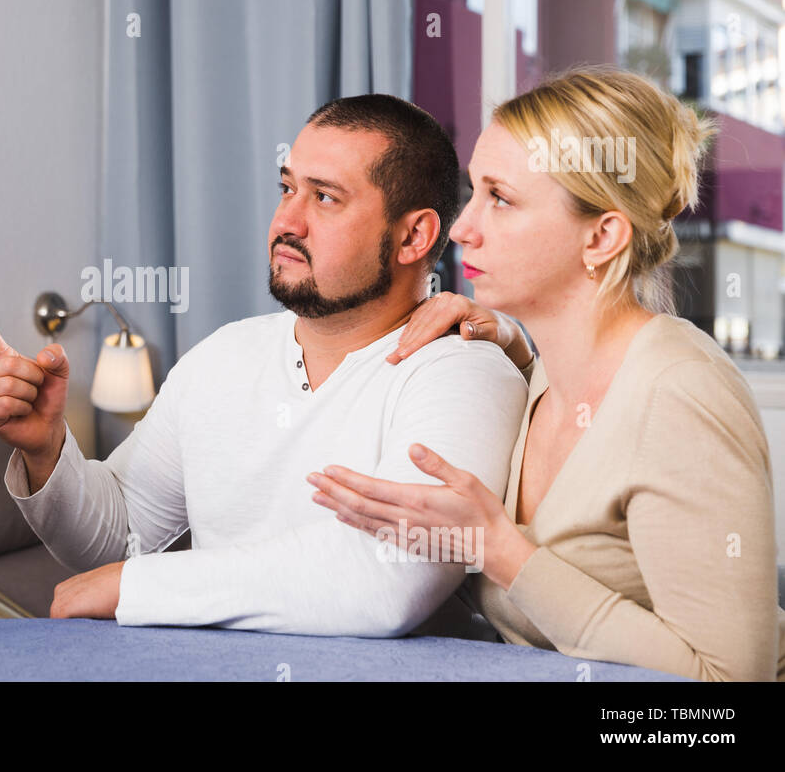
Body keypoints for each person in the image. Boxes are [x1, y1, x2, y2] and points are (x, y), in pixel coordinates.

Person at [0, 95, 529, 636]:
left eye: (325, 198)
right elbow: (121, 537)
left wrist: (141, 586)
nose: (288, 220)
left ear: (414, 236)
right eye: (287, 188)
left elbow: (389, 579)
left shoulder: (463, 373)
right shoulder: (223, 356)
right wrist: (46, 452)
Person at [309, 65, 785, 681]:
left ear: (602, 237)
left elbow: (728, 689)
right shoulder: (542, 377)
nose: (460, 229)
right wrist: (512, 343)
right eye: (473, 191)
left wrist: (501, 552)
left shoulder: (682, 395)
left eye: (500, 199)